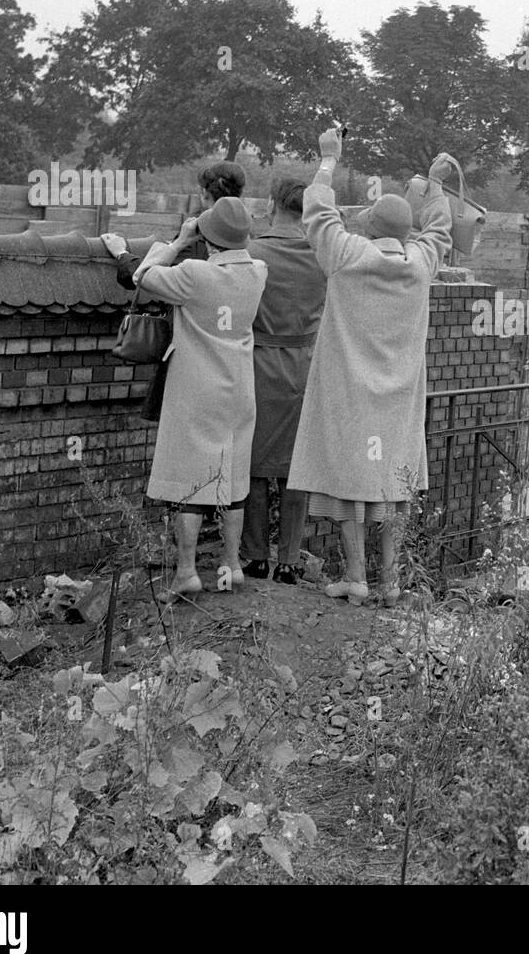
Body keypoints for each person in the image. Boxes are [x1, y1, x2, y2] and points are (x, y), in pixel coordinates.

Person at [286, 129, 453, 606]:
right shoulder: (421, 264)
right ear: (405, 234)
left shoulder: (347, 256)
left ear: (371, 226)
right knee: (392, 487)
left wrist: (328, 159)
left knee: (347, 481)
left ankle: (355, 577)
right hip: (399, 397)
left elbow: (317, 212)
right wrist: (437, 187)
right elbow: (439, 229)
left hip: (348, 391)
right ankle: (392, 582)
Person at [132, 196, 267, 597]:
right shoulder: (258, 271)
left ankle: (187, 572)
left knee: (189, 479)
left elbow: (143, 275)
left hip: (195, 388)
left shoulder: (193, 274)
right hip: (239, 387)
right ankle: (231, 565)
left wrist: (178, 240)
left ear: (209, 240)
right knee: (232, 473)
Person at [100, 161, 247, 421]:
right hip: (232, 363)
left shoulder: (194, 245)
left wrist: (123, 254)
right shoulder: (248, 252)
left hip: (189, 354)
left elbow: (143, 277)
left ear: (204, 194)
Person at [240, 169, 328, 584]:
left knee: (255, 464)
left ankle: (255, 555)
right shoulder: (323, 253)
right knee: (298, 468)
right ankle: (289, 561)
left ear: (272, 204)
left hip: (258, 363)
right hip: (306, 366)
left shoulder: (253, 251)